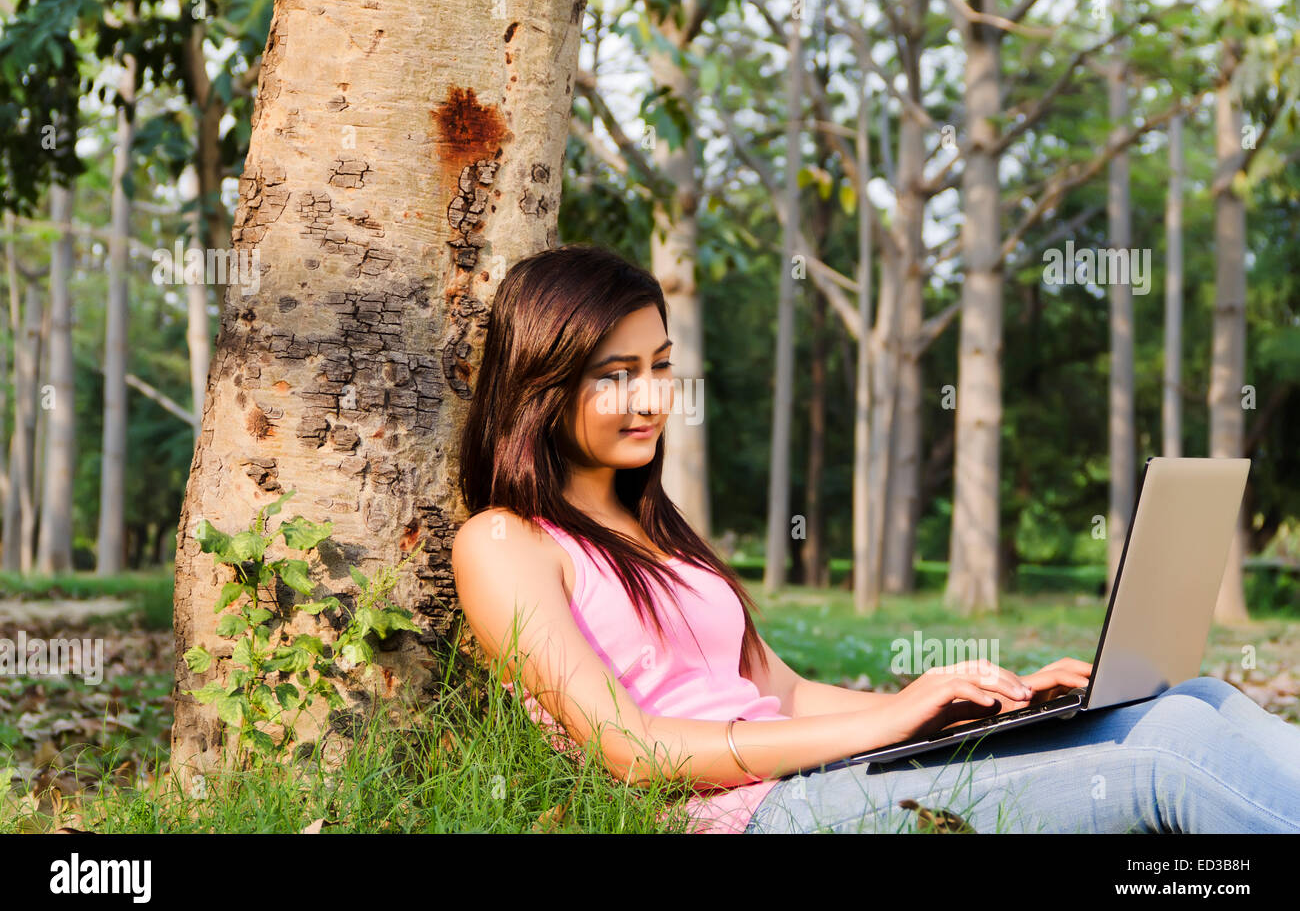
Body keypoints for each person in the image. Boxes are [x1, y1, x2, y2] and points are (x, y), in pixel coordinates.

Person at [450, 242, 1300, 834]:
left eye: (661, 367)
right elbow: (632, 752)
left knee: (1191, 702)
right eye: (614, 376)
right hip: (748, 817)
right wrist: (889, 723)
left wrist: (961, 709)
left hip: (816, 783)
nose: (650, 400)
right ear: (542, 382)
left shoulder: (648, 528)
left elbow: (779, 691)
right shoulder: (505, 543)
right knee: (1172, 758)